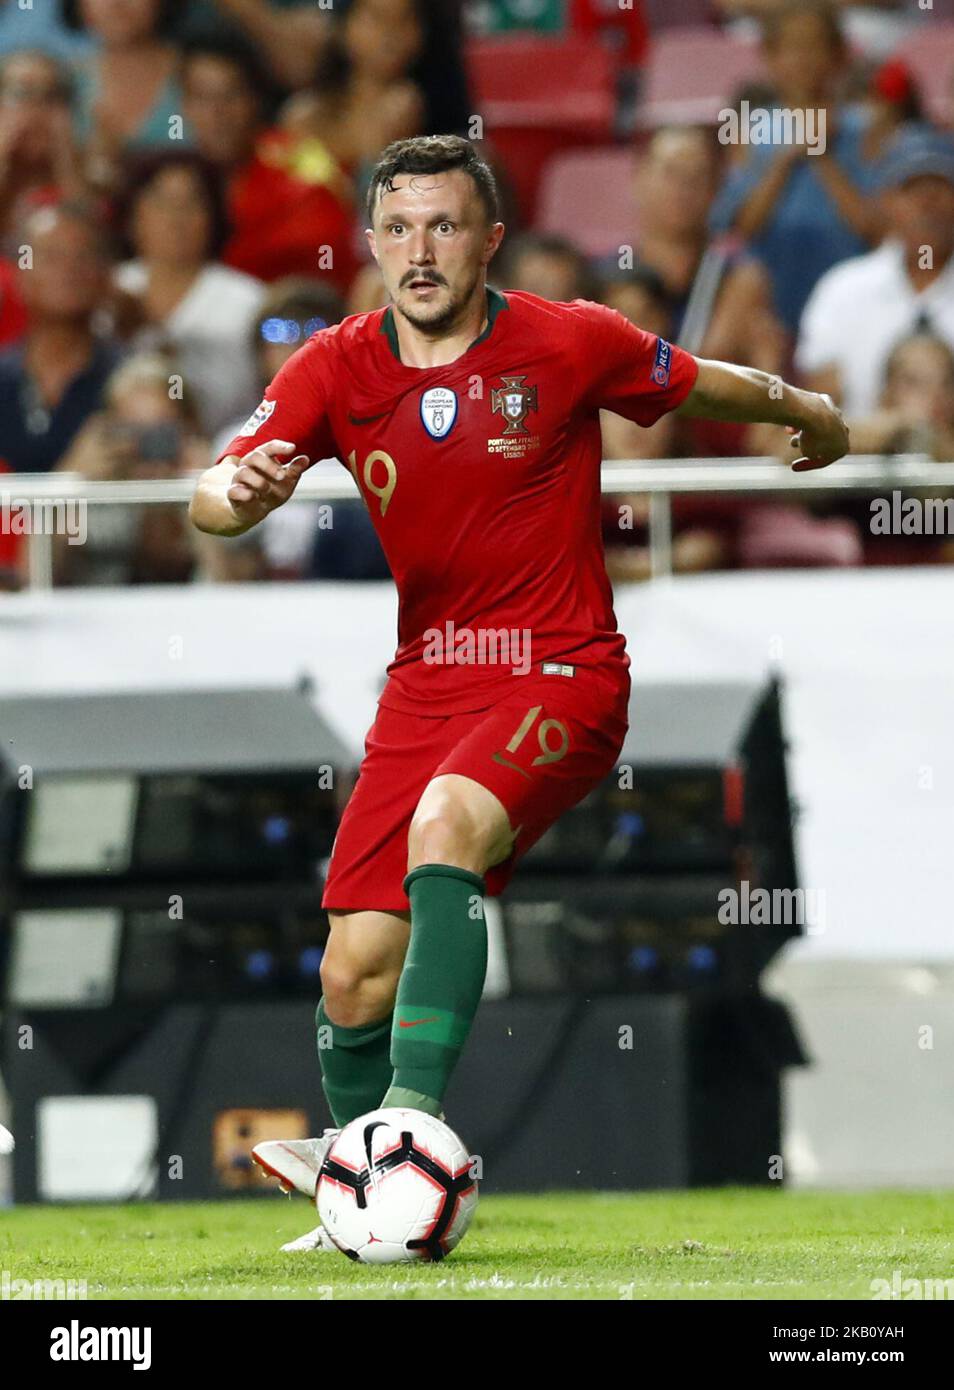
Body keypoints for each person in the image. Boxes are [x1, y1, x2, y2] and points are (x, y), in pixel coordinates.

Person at [189, 134, 849, 1253]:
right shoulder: (335, 366)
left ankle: (407, 1127)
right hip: (425, 687)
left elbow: (702, 383)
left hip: (562, 667)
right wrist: (233, 493)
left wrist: (811, 413)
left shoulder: (566, 338)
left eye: (444, 225)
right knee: (351, 971)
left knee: (446, 824)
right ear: (370, 242)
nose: (420, 250)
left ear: (490, 239)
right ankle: (360, 1199)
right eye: (397, 228)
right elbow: (215, 492)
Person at [710, 0, 883, 334]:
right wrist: (787, 158)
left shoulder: (865, 129)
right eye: (791, 48)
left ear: (839, 57)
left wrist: (820, 156)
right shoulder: (750, 130)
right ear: (769, 58)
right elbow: (744, 227)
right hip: (772, 286)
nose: (803, 59)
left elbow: (870, 227)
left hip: (846, 284)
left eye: (814, 46)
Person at [180, 33, 360, 289]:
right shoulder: (174, 175)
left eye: (230, 95)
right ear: (184, 105)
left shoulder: (300, 164)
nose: (216, 113)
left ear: (255, 100)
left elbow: (327, 247)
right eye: (202, 97)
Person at [796, 126, 954, 416]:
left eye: (940, 189)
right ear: (887, 202)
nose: (927, 203)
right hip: (861, 454)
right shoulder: (843, 289)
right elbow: (820, 407)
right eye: (912, 190)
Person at [112, 150, 265, 435]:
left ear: (213, 217)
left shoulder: (248, 300)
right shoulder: (107, 292)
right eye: (161, 202)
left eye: (190, 204)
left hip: (225, 449)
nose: (175, 218)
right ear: (134, 215)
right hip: (119, 459)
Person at [54, 352, 204, 585]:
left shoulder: (211, 477)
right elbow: (35, 574)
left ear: (187, 429)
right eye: (131, 432)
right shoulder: (93, 496)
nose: (146, 446)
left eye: (161, 433)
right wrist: (71, 478)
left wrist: (202, 488)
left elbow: (230, 583)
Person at [0, 202, 118, 474]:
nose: (68, 269)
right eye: (51, 256)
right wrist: (70, 479)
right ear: (19, 275)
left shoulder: (131, 379)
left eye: (83, 256)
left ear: (105, 275)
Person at [0, 51, 88, 242]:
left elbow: (89, 246)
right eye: (21, 93)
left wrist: (67, 163)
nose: (37, 106)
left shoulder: (89, 174)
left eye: (51, 96)